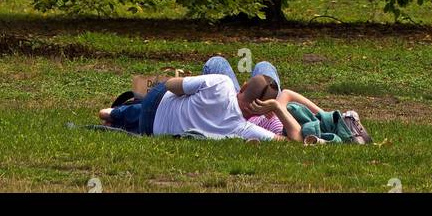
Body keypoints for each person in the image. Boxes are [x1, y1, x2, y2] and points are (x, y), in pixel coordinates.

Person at [100, 72, 304, 141]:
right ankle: (117, 118)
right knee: (133, 117)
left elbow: (172, 85)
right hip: (151, 130)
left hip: (156, 101)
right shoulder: (245, 129)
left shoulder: (222, 82)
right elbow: (294, 139)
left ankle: (114, 113)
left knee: (136, 106)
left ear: (242, 86)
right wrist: (278, 108)